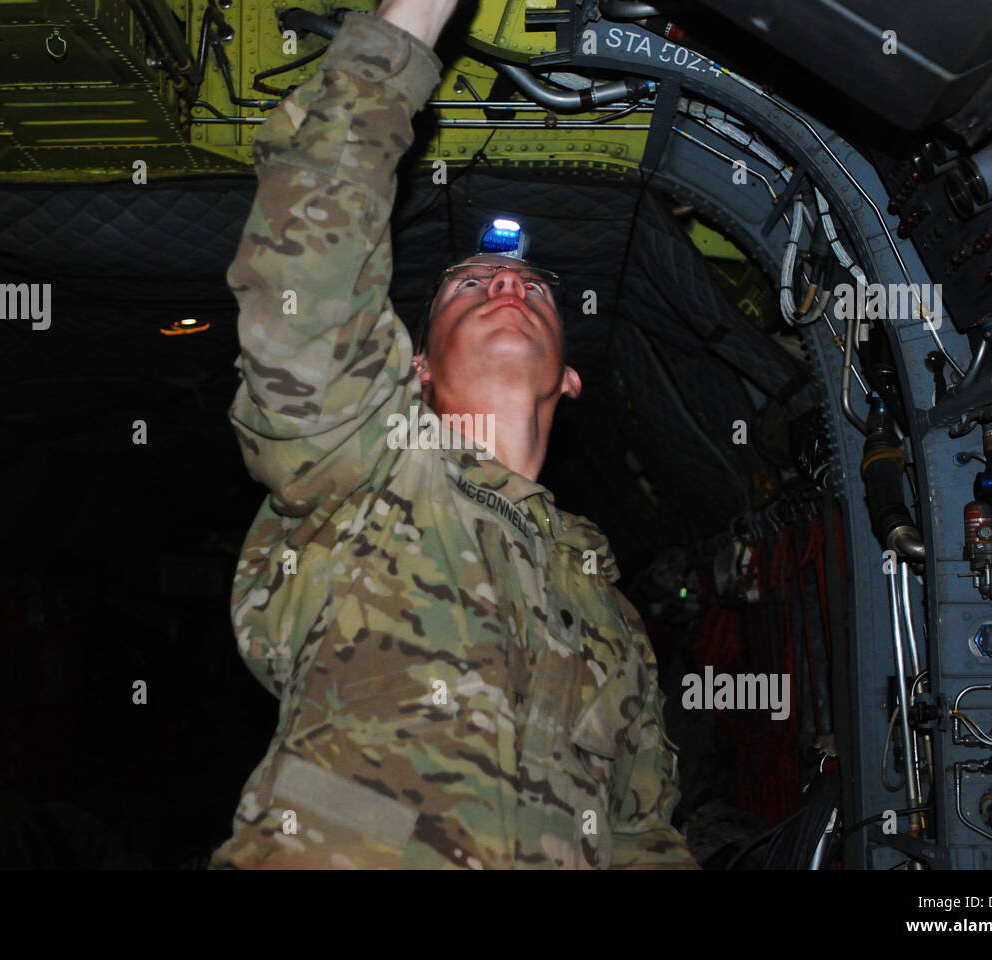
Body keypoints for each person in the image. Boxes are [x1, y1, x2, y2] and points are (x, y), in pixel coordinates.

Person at [211, 0, 698, 869]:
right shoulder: (361, 479)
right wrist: (404, 32)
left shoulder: (607, 612)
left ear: (571, 378)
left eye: (534, 290)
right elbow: (304, 284)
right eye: (466, 288)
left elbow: (643, 836)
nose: (506, 286)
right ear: (417, 369)